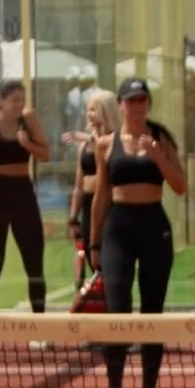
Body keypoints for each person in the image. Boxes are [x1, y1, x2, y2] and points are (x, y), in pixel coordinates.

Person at [86, 73, 187, 388]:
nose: (136, 106)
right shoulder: (105, 144)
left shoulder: (161, 138)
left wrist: (157, 156)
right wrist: (93, 240)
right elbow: (100, 195)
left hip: (154, 227)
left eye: (142, 100)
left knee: (151, 313)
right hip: (118, 229)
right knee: (117, 311)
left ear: (149, 104)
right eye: (131, 100)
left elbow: (180, 185)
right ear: (121, 105)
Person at [0, 80, 51, 313]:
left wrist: (27, 144)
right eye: (15, 100)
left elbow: (45, 153)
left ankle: (40, 325)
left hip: (23, 192)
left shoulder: (29, 118)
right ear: (0, 100)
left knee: (34, 259)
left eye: (22, 100)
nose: (20, 104)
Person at [67, 90, 116, 291]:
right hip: (88, 204)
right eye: (88, 110)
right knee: (89, 254)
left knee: (109, 258)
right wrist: (73, 218)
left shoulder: (114, 140)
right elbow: (78, 186)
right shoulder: (84, 146)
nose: (89, 114)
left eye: (93, 109)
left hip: (109, 205)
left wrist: (90, 138)